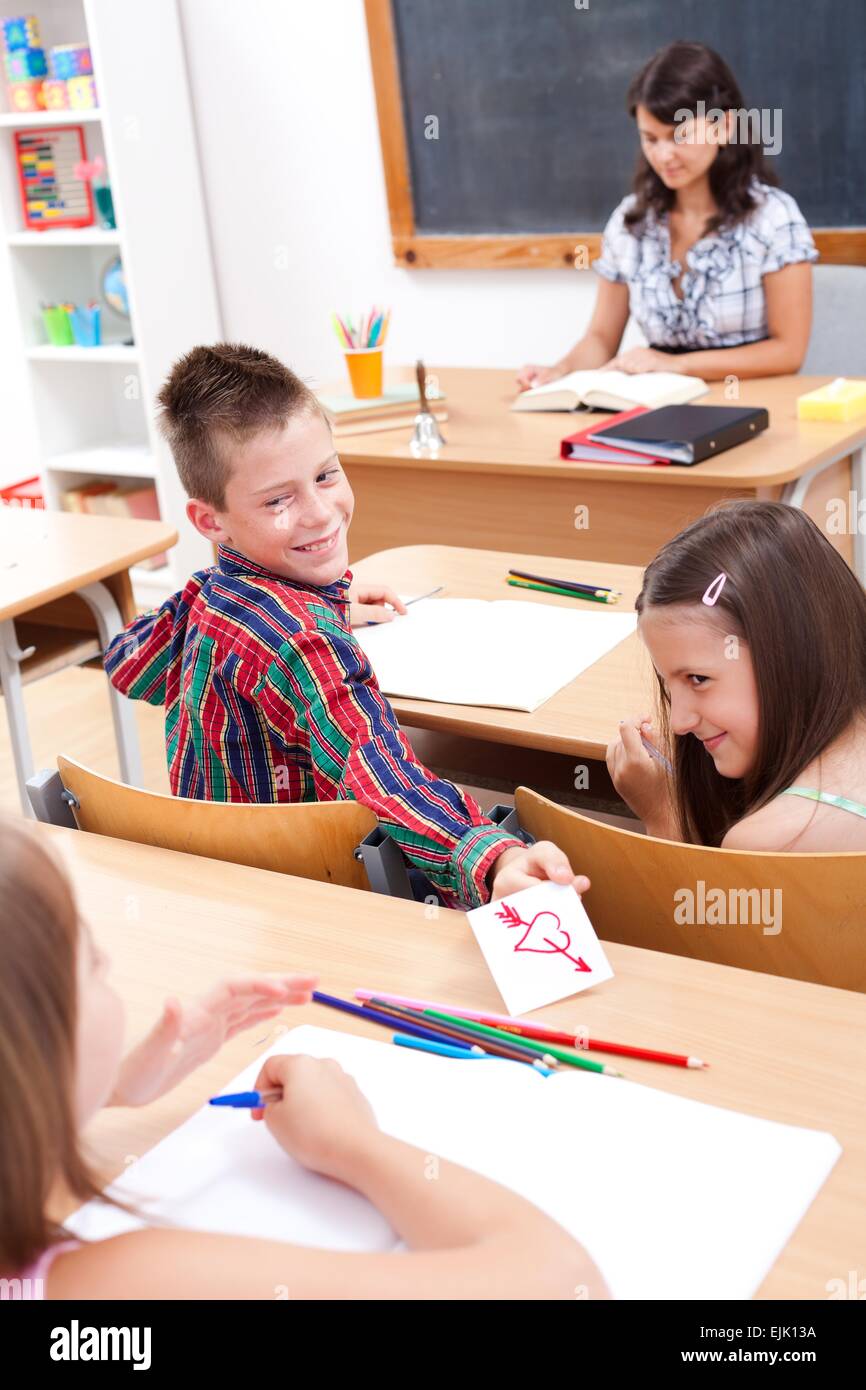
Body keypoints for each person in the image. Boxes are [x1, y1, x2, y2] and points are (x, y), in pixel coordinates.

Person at [0, 818, 608, 1299]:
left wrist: (102, 1090)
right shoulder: (112, 1283)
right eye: (91, 962)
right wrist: (352, 1143)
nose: (110, 964)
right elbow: (563, 1283)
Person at [518, 41, 816, 389]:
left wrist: (677, 365)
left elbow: (788, 352)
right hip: (661, 402)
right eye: (650, 139)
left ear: (723, 127)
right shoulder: (631, 223)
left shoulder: (772, 217)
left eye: (679, 136)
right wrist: (559, 372)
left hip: (748, 399)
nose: (663, 156)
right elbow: (600, 338)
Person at [606, 501, 866, 850]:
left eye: (698, 679)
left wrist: (663, 814)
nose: (679, 722)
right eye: (668, 683)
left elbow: (694, 889)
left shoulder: (770, 840)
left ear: (786, 653)